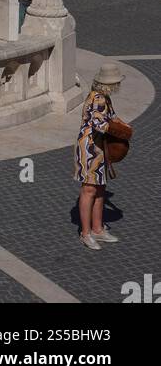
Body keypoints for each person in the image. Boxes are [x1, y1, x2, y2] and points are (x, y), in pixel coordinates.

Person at [74, 60, 125, 250]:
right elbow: (99, 124)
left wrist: (122, 125)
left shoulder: (104, 97)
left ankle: (97, 229)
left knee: (100, 189)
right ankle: (85, 233)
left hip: (99, 147)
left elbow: (112, 117)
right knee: (89, 190)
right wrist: (118, 131)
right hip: (89, 148)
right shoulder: (98, 99)